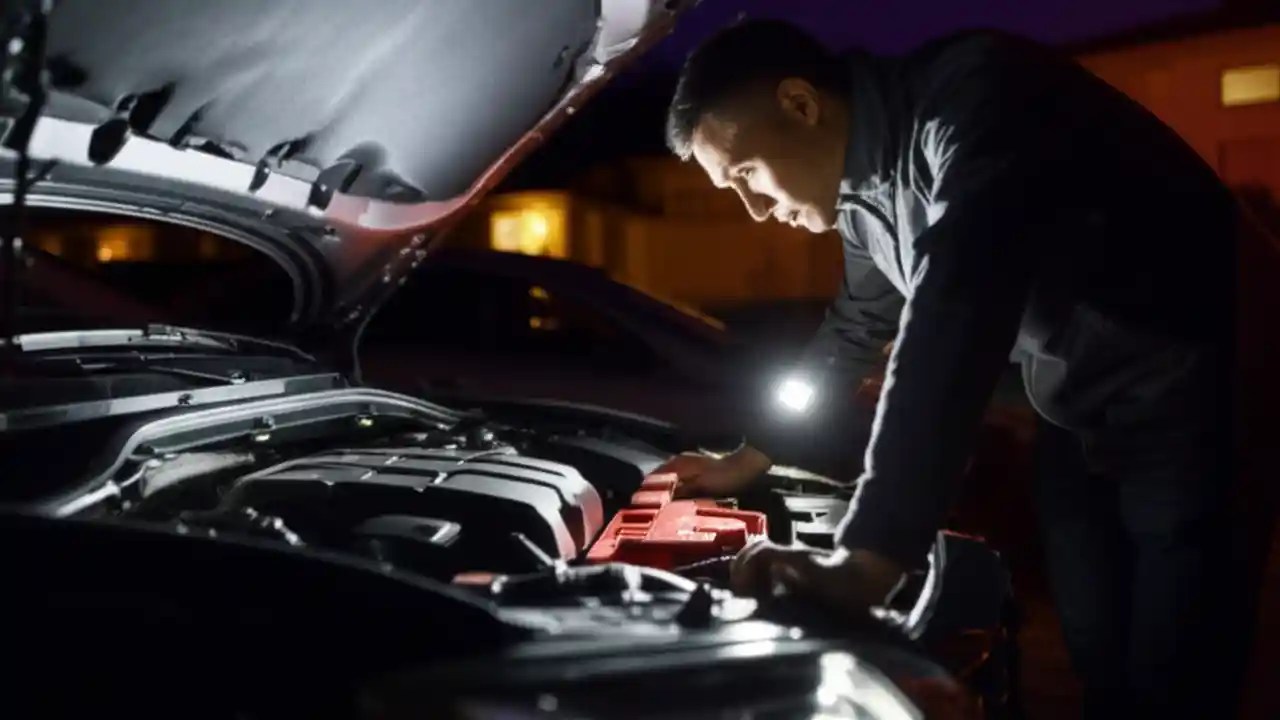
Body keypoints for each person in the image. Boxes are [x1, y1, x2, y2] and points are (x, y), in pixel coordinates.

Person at [657, 20, 1254, 717]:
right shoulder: (864, 197)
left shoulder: (978, 97)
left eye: (747, 175)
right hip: (1074, 411)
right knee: (1099, 655)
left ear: (800, 103)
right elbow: (856, 325)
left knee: (1173, 675)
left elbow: (958, 299)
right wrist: (748, 457)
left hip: (1192, 398)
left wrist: (870, 558)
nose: (754, 210)